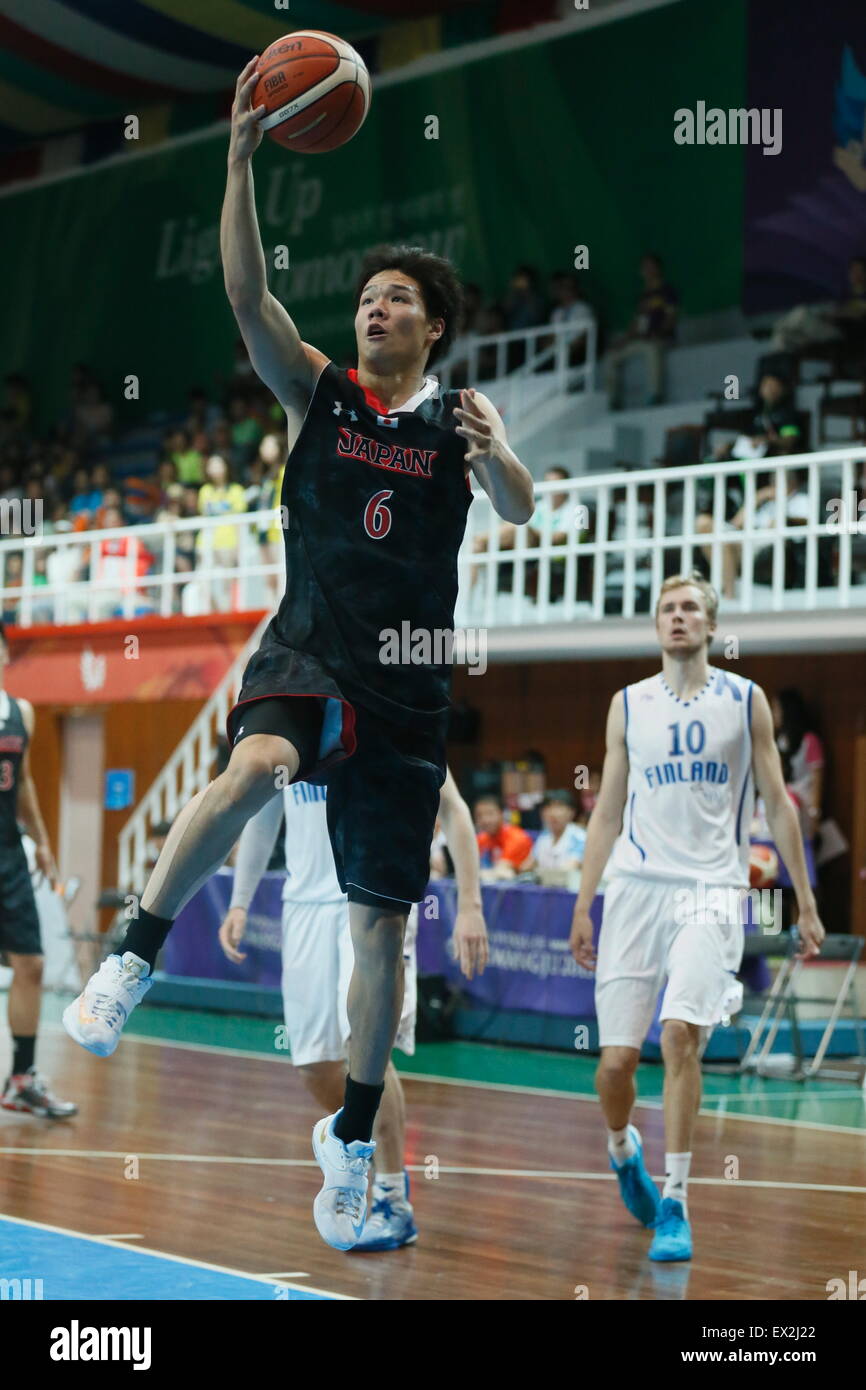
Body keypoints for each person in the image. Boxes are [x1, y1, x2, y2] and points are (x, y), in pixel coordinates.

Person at [63, 54, 534, 1253]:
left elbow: (525, 511)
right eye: (365, 295)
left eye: (395, 300)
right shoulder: (315, 395)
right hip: (310, 645)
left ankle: (356, 1136)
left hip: (408, 683)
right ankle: (133, 952)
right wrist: (236, 159)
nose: (372, 308)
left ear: (432, 329)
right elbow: (243, 294)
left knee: (383, 929)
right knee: (253, 767)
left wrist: (499, 447)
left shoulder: (455, 430)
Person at [569, 572, 824, 1263]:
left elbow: (779, 804)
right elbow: (607, 813)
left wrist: (803, 897)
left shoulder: (746, 702)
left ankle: (677, 1201)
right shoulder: (628, 704)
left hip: (711, 889)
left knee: (682, 1034)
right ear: (657, 627)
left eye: (690, 609)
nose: (677, 618)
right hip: (634, 888)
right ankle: (624, 1152)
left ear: (711, 626)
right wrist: (584, 904)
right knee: (617, 1063)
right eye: (668, 610)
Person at [219, 766, 487, 1251]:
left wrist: (470, 905)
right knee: (315, 1067)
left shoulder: (391, 702)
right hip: (303, 905)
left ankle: (392, 1199)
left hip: (372, 898)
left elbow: (454, 808)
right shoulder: (295, 712)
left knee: (363, 1046)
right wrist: (240, 900)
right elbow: (262, 816)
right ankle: (360, 1151)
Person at [0, 623, 77, 1118]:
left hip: (9, 853)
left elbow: (23, 782)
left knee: (32, 963)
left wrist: (43, 844)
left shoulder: (19, 712)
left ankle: (21, 1079)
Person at [604, 253, 678, 408]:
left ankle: (655, 395)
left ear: (658, 268)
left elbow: (671, 318)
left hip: (661, 339)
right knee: (611, 357)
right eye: (644, 267)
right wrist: (623, 341)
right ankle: (612, 401)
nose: (647, 270)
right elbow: (636, 323)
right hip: (641, 339)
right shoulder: (643, 296)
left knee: (651, 349)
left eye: (650, 266)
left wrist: (659, 333)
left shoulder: (667, 291)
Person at [771, 688, 824, 838]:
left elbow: (817, 780)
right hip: (784, 804)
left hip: (804, 806)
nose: (773, 714)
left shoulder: (809, 740)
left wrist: (814, 813)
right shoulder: (780, 740)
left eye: (776, 708)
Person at [528, 791, 585, 878]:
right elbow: (529, 866)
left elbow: (570, 869)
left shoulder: (580, 837)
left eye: (559, 807)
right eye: (549, 807)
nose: (553, 813)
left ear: (572, 812)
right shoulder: (543, 837)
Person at [474, 794, 533, 879]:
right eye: (479, 816)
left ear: (501, 814)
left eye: (490, 814)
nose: (485, 820)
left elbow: (501, 872)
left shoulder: (516, 838)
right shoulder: (481, 838)